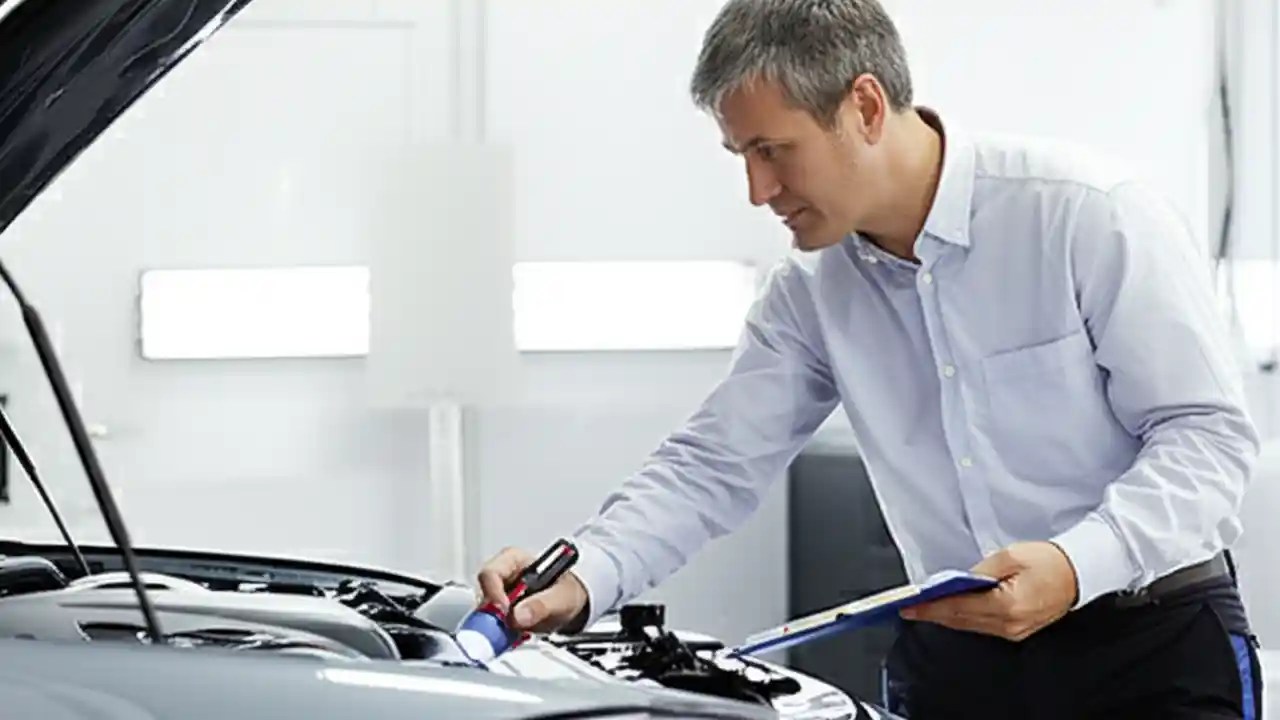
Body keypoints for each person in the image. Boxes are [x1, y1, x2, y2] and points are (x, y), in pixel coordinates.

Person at [476, 1, 1264, 717]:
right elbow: (711, 464)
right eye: (739, 155)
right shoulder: (813, 291)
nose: (757, 189)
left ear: (863, 106)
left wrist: (1075, 563)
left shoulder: (1087, 217)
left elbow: (1208, 439)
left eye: (772, 150)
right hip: (960, 663)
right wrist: (583, 578)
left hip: (1149, 646)